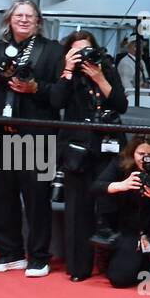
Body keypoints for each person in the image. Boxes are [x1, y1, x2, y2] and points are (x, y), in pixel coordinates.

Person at [0, 0, 65, 276]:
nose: (23, 20)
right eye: (18, 15)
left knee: (37, 198)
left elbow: (60, 94)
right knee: (2, 197)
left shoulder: (52, 50)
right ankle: (10, 252)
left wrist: (35, 87)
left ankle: (39, 256)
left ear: (38, 22)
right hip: (0, 133)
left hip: (36, 133)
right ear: (9, 20)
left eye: (29, 16)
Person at [49, 30, 128, 282]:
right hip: (76, 148)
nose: (83, 56)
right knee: (77, 209)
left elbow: (120, 104)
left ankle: (112, 262)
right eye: (77, 51)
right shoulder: (65, 72)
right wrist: (68, 70)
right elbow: (55, 102)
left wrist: (100, 77)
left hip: (108, 145)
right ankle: (78, 267)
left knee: (110, 204)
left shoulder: (106, 68)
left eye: (87, 50)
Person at [91, 135, 150, 289]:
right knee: (119, 279)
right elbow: (96, 187)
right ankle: (142, 262)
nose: (145, 159)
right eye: (141, 154)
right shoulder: (120, 163)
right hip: (129, 224)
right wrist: (121, 185)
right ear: (132, 153)